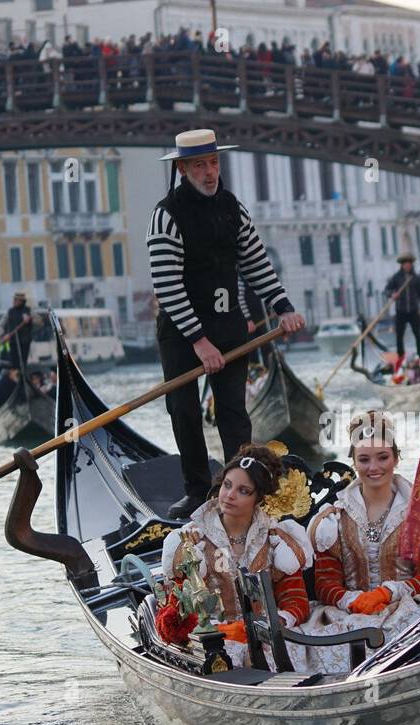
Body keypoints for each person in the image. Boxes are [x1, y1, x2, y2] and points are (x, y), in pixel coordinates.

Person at [146, 128, 305, 520]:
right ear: (183, 168)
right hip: (182, 335)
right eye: (199, 164)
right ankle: (198, 488)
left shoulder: (234, 208)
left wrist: (283, 306)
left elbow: (255, 263)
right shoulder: (165, 216)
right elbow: (166, 286)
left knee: (234, 410)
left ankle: (243, 487)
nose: (209, 171)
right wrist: (199, 341)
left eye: (214, 162)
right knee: (183, 410)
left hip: (228, 325)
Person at [301, 411, 420, 672]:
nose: (374, 468)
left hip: (412, 604)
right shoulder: (334, 518)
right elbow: (325, 584)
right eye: (364, 459)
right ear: (354, 462)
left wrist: (389, 592)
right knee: (339, 638)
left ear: (395, 458)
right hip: (349, 611)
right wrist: (352, 600)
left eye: (383, 457)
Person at [159, 445, 312, 669]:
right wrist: (220, 631)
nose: (229, 495)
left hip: (266, 634)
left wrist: (269, 625)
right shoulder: (191, 539)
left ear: (259, 498)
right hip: (211, 639)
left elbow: (296, 599)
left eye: (243, 491)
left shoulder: (275, 538)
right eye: (227, 485)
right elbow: (180, 609)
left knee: (280, 655)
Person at [383, 252, 420, 361]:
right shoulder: (396, 278)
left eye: (409, 264)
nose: (407, 266)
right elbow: (386, 291)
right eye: (405, 264)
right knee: (399, 335)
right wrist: (392, 294)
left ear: (411, 265)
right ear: (402, 265)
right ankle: (400, 357)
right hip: (401, 311)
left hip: (414, 311)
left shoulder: (416, 278)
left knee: (417, 334)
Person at [0, 292, 35, 367]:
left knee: (23, 362)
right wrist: (4, 335)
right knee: (14, 362)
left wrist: (30, 320)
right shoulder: (10, 312)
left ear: (22, 301)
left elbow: (39, 322)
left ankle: (22, 374)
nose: (14, 301)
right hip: (13, 341)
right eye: (14, 299)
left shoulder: (29, 311)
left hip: (25, 342)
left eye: (16, 300)